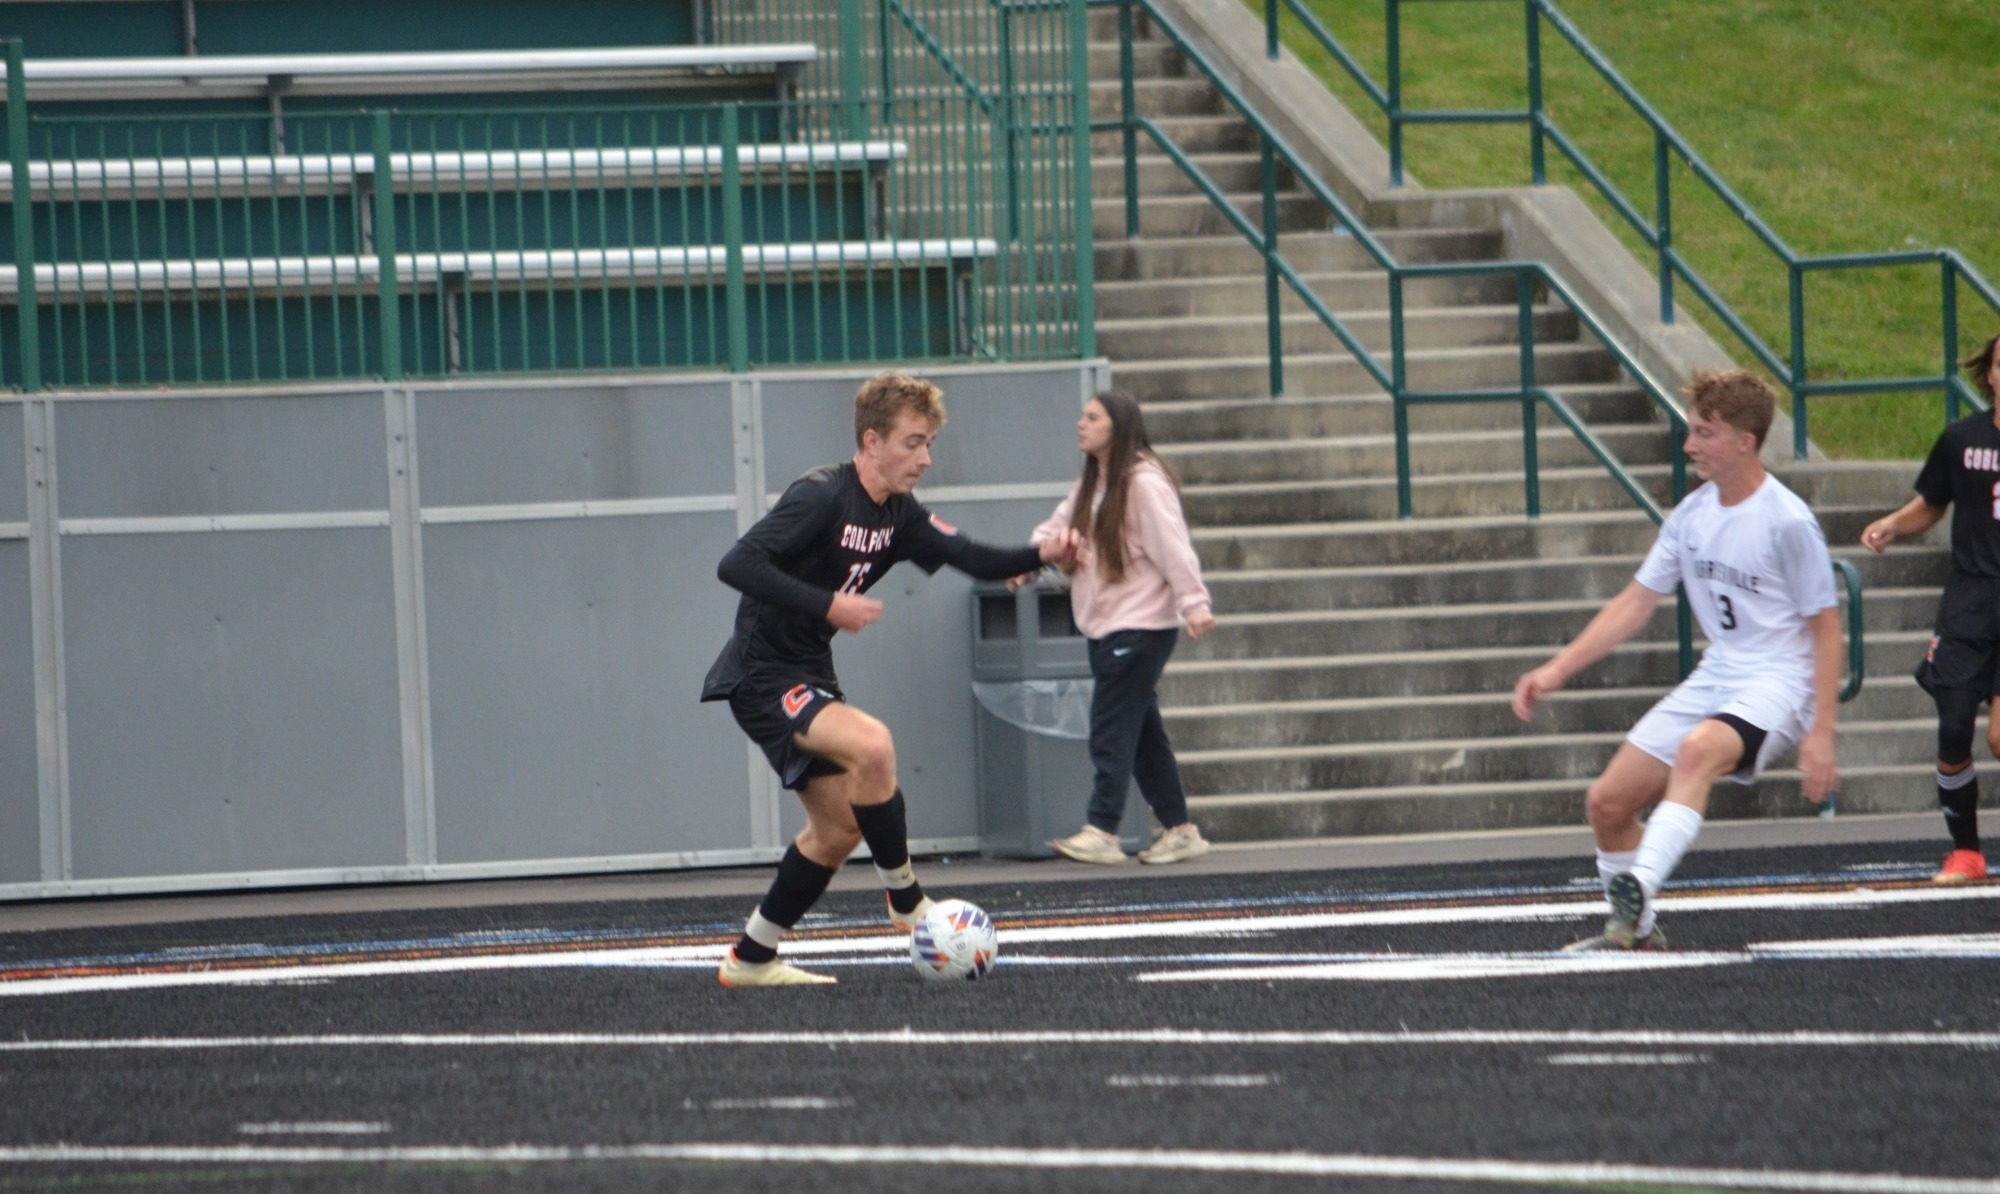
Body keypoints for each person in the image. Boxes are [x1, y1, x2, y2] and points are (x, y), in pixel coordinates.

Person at [701, 372, 1079, 987]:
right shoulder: (821, 495)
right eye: (913, 443)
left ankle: (750, 958)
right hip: (761, 673)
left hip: (807, 671)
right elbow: (736, 563)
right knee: (873, 745)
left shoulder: (899, 515)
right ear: (872, 441)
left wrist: (1045, 553)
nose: (925, 458)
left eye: (929, 443)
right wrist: (828, 604)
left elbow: (972, 556)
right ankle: (906, 902)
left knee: (836, 832)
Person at [1512, 369, 1843, 950]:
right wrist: (1555, 670)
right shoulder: (1691, 516)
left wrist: (1822, 732)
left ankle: (1637, 884)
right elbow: (1635, 603)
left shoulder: (1788, 521)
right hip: (1718, 675)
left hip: (1779, 684)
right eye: (1691, 431)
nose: (1690, 445)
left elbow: (1827, 628)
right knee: (1607, 804)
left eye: (1705, 434)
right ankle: (1635, 932)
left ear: (1745, 441)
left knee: (1696, 753)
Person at [1027, 389, 1217, 867]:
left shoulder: (1145, 483)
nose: (1081, 423)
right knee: (1144, 734)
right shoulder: (1094, 483)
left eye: (1092, 417)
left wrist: (1194, 604)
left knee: (1111, 727)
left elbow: (1173, 548)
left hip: (1140, 627)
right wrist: (1028, 564)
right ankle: (1180, 829)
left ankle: (1103, 828)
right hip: (1107, 626)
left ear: (1119, 427)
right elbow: (1053, 531)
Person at [1859, 333, 2000, 886]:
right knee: (1954, 729)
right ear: (1988, 373)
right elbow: (1933, 504)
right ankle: (1965, 853)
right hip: (1970, 603)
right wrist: (1893, 523)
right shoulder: (1963, 439)